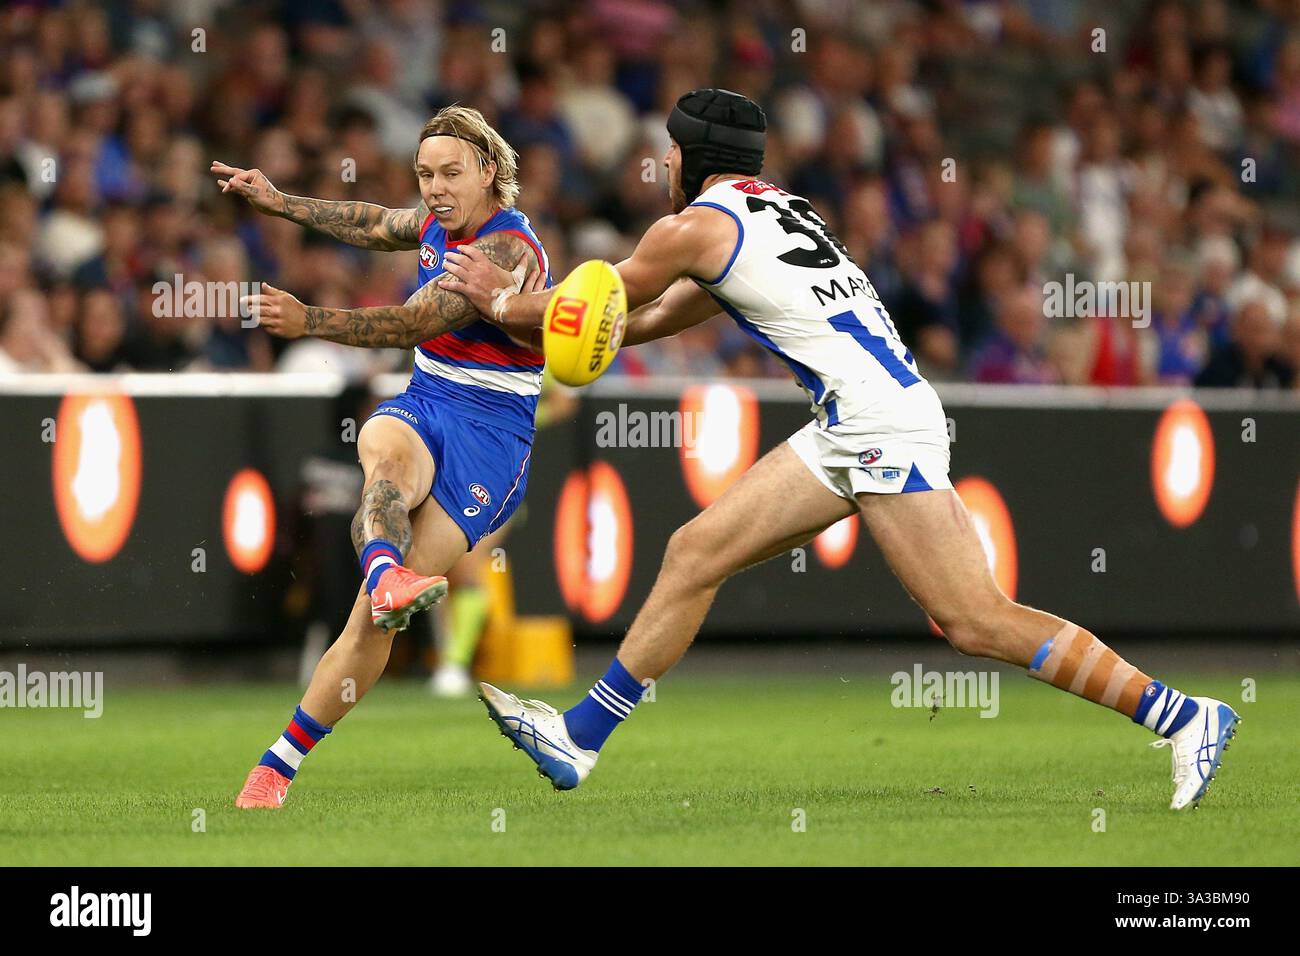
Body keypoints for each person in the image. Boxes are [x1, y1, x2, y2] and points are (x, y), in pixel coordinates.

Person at [441, 89, 1240, 811]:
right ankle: (580, 736)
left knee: (973, 619)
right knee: (695, 551)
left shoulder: (691, 226)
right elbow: (641, 318)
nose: (666, 166)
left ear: (689, 157)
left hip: (872, 426)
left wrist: (501, 299)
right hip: (862, 418)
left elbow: (605, 298)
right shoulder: (777, 213)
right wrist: (545, 327)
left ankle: (1183, 715)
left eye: (672, 152)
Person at [211, 105, 551, 808]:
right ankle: (271, 774)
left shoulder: (507, 250)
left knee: (369, 620)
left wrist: (312, 322)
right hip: (428, 402)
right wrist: (280, 202)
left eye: (450, 173)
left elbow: (411, 323)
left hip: (491, 440)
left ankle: (289, 750)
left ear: (489, 171)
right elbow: (369, 222)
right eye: (425, 173)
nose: (434, 187)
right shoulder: (435, 220)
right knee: (381, 455)